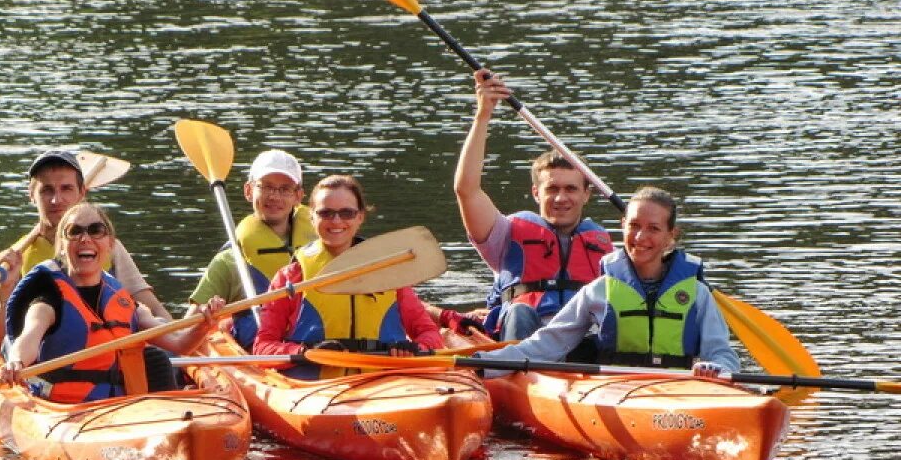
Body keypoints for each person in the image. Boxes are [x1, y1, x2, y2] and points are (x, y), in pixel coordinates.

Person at [473, 187, 739, 378]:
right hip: (616, 389)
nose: (640, 236)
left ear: (671, 235)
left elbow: (722, 355)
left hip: (677, 391)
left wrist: (717, 370)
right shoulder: (599, 289)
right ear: (622, 225)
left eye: (654, 228)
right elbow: (548, 343)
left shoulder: (698, 293)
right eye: (634, 225)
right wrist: (481, 362)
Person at [0, 149, 176, 389]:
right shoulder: (14, 260)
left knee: (158, 359)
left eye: (66, 189)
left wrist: (184, 347)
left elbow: (148, 304)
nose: (56, 200)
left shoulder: (106, 246)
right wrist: (4, 288)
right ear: (32, 195)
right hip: (42, 367)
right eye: (46, 190)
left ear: (82, 194)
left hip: (105, 360)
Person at [450, 68, 614, 350]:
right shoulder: (506, 234)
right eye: (552, 189)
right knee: (520, 311)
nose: (561, 198)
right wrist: (483, 115)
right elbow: (467, 190)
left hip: (581, 343)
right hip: (524, 344)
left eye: (571, 189)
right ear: (536, 193)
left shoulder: (604, 249)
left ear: (587, 194)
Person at [0, 202, 223, 399]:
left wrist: (205, 325)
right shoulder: (47, 302)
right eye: (74, 231)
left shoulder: (126, 303)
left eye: (96, 230)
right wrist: (16, 362)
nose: (85, 238)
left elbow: (181, 344)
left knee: (156, 359)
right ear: (62, 248)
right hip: (69, 413)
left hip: (119, 410)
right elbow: (29, 338)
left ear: (110, 245)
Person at [252, 174, 443, 379]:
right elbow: (263, 347)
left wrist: (415, 348)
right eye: (326, 213)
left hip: (383, 385)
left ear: (360, 217)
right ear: (312, 217)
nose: (336, 221)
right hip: (314, 388)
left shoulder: (389, 273)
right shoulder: (292, 277)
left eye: (347, 213)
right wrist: (303, 352)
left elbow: (431, 336)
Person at [186, 149, 317, 348]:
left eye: (285, 189)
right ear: (248, 190)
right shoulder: (230, 260)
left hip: (315, 348)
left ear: (298, 196)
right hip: (260, 358)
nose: (274, 196)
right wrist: (208, 312)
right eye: (266, 187)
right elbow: (185, 328)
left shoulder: (323, 247)